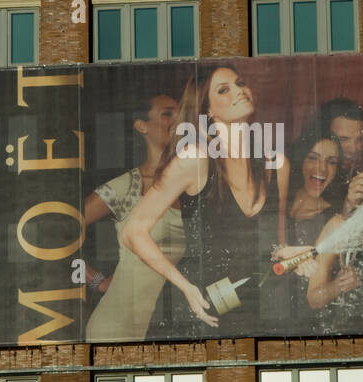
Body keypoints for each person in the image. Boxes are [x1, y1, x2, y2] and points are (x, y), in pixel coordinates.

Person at [121, 65, 292, 336]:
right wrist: (186, 287)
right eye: (224, 90)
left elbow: (276, 245)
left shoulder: (276, 166)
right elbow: (133, 232)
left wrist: (295, 255)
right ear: (207, 111)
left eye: (240, 83)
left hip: (251, 311)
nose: (239, 91)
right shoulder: (195, 160)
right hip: (196, 314)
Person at [82, 91, 184, 341]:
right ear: (141, 126)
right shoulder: (126, 188)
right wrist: (98, 282)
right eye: (167, 114)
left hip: (162, 332)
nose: (178, 120)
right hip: (114, 331)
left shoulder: (193, 183)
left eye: (180, 114)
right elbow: (57, 235)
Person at [283, 128, 355, 313]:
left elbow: (315, 299)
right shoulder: (279, 200)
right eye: (313, 158)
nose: (321, 169)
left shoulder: (333, 219)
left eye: (331, 162)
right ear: (300, 160)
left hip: (297, 319)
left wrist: (342, 284)